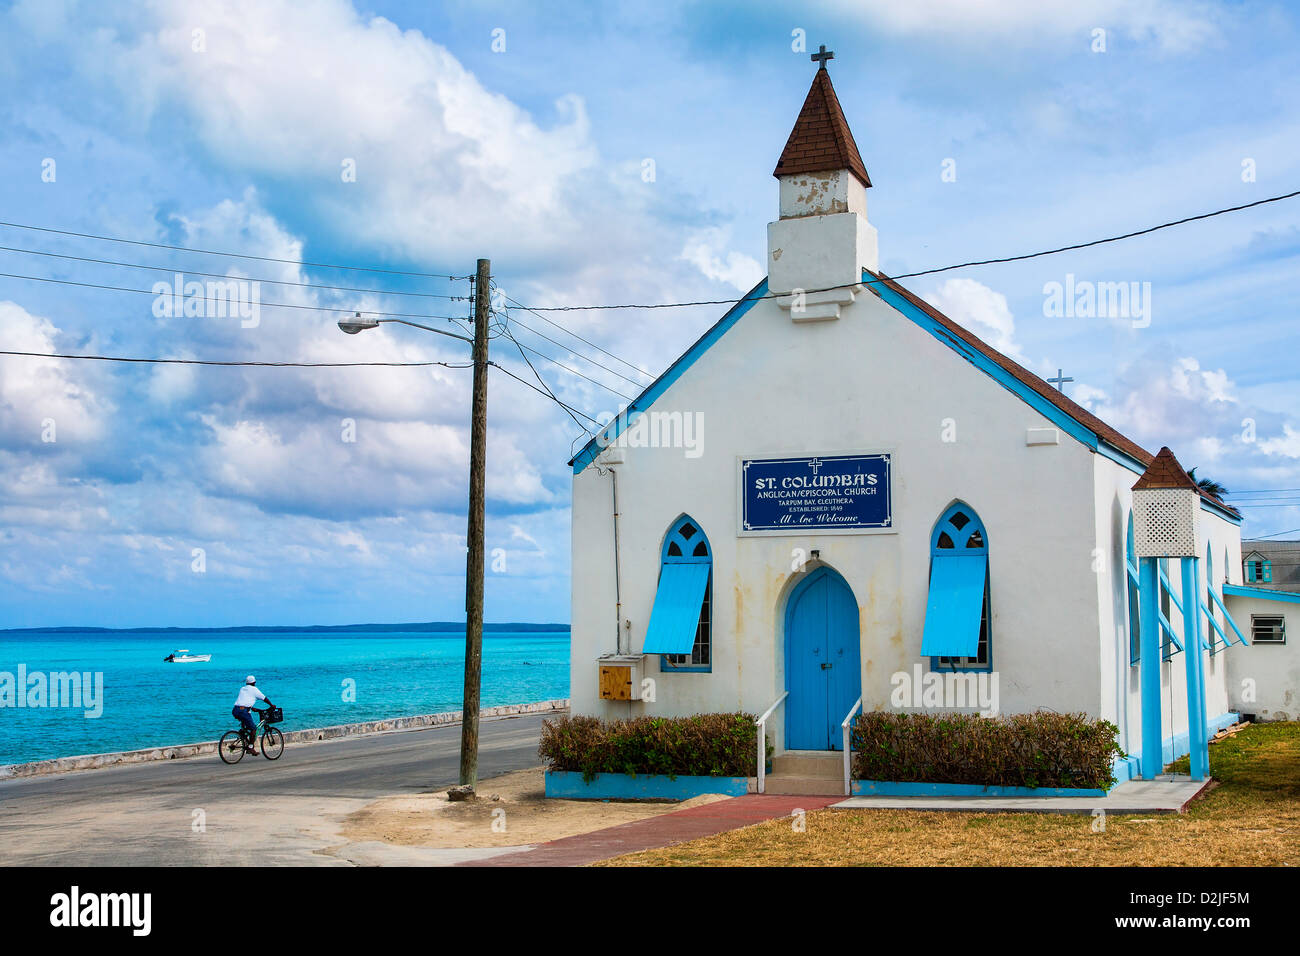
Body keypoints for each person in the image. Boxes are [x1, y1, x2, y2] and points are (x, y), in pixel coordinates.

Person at [232, 675, 274, 755]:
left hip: (235, 710)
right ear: (254, 682)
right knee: (253, 729)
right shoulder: (254, 690)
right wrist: (272, 705)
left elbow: (244, 700)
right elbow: (264, 698)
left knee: (246, 727)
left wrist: (252, 708)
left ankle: (243, 736)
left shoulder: (242, 688)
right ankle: (250, 748)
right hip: (244, 711)